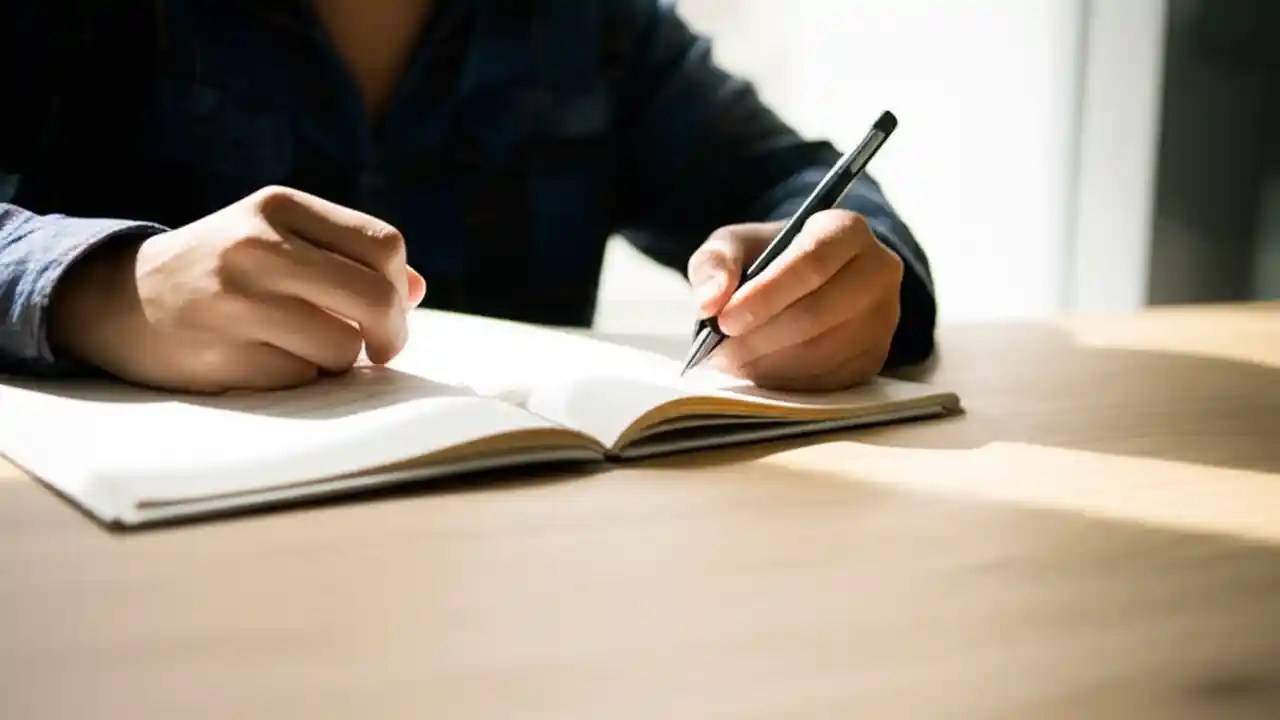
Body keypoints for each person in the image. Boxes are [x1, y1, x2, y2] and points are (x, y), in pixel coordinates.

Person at [0, 0, 936, 394]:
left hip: (515, 573)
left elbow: (796, 185)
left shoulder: (587, 21)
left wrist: (850, 280)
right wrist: (103, 290)